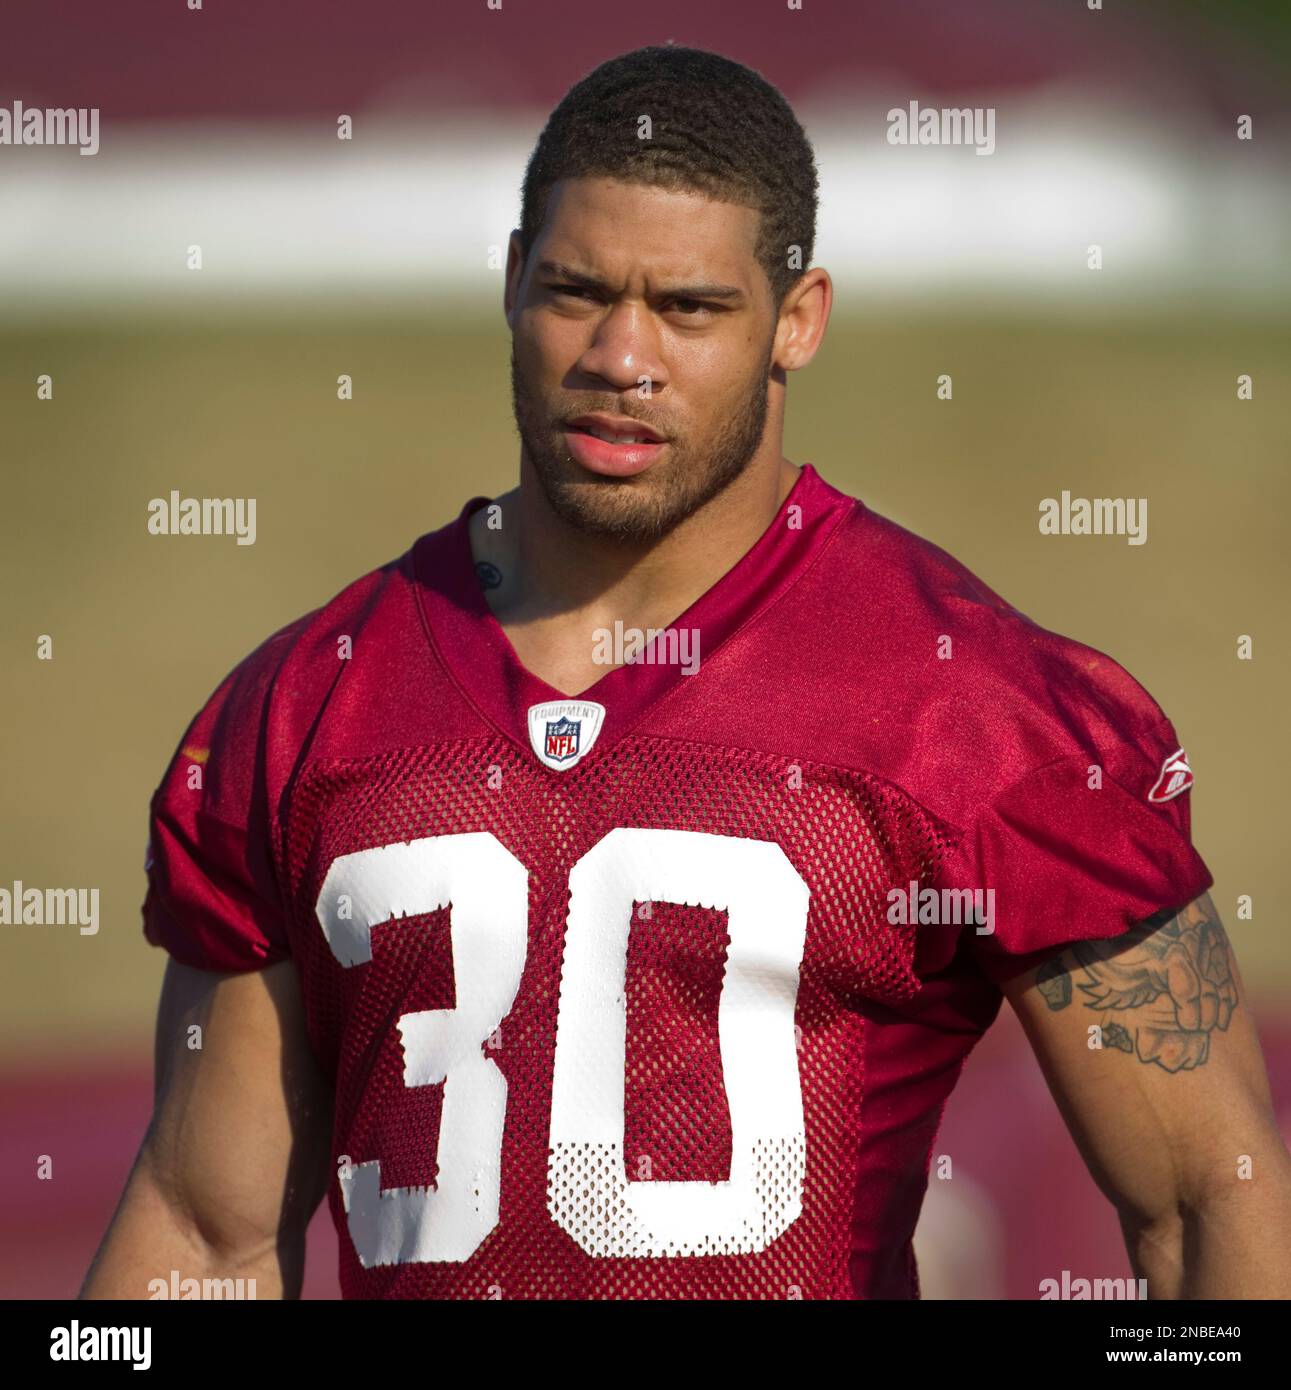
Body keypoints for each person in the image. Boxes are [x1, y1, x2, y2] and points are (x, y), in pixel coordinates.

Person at [83, 44, 1291, 1300]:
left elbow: (1214, 1201)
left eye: (691, 308)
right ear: (509, 281)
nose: (621, 354)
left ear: (798, 320)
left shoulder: (972, 710)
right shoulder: (309, 705)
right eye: (575, 291)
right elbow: (200, 1233)